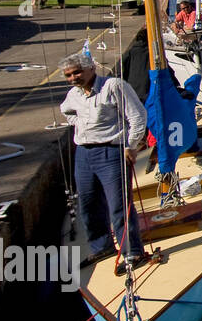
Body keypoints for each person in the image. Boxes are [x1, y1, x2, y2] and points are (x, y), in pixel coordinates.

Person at [58, 51, 150, 273]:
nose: (73, 78)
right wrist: (81, 122)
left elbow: (137, 116)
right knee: (88, 204)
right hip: (83, 153)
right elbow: (66, 111)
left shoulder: (114, 86)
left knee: (119, 205)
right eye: (68, 75)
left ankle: (133, 251)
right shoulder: (74, 94)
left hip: (111, 151)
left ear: (91, 68)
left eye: (77, 72)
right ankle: (102, 246)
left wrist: (131, 145)